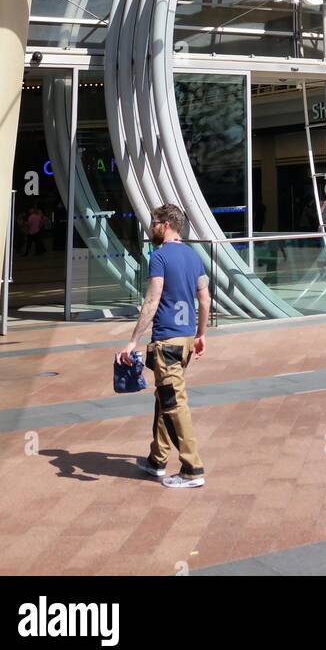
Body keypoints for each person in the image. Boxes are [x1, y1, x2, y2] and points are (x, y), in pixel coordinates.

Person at [119, 203, 209, 489]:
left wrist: (133, 340)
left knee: (173, 403)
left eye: (154, 222)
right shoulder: (194, 257)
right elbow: (205, 300)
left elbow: (152, 300)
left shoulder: (159, 257)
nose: (151, 227)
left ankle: (192, 468)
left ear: (166, 225)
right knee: (164, 398)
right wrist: (200, 335)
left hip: (166, 342)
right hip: (184, 343)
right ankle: (157, 460)